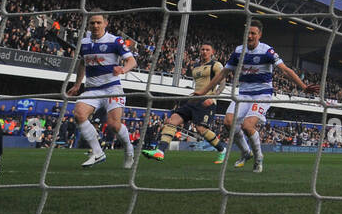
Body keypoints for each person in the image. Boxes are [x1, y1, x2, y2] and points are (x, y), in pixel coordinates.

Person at [195, 20, 315, 173]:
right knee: (228, 122)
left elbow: (285, 70)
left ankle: (258, 158)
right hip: (244, 94)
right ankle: (246, 152)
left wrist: (303, 86)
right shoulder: (239, 51)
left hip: (262, 95)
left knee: (247, 126)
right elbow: (224, 73)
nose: (250, 36)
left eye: (253, 33)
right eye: (248, 33)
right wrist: (204, 91)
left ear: (260, 35)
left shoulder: (267, 51)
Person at [67, 10, 137, 168]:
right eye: (92, 23)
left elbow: (132, 61)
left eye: (99, 22)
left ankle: (129, 149)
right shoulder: (84, 43)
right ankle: (98, 152)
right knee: (79, 114)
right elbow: (83, 63)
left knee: (113, 124)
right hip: (92, 89)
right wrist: (78, 84)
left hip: (112, 88)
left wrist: (123, 70)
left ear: (106, 23)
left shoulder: (115, 41)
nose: (95, 25)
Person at [141, 42, 228, 162]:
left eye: (207, 50)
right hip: (194, 100)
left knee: (201, 129)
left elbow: (222, 83)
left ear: (212, 52)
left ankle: (222, 150)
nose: (204, 52)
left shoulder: (216, 65)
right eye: (202, 49)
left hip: (207, 100)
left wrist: (213, 97)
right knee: (172, 121)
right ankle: (160, 151)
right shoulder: (196, 66)